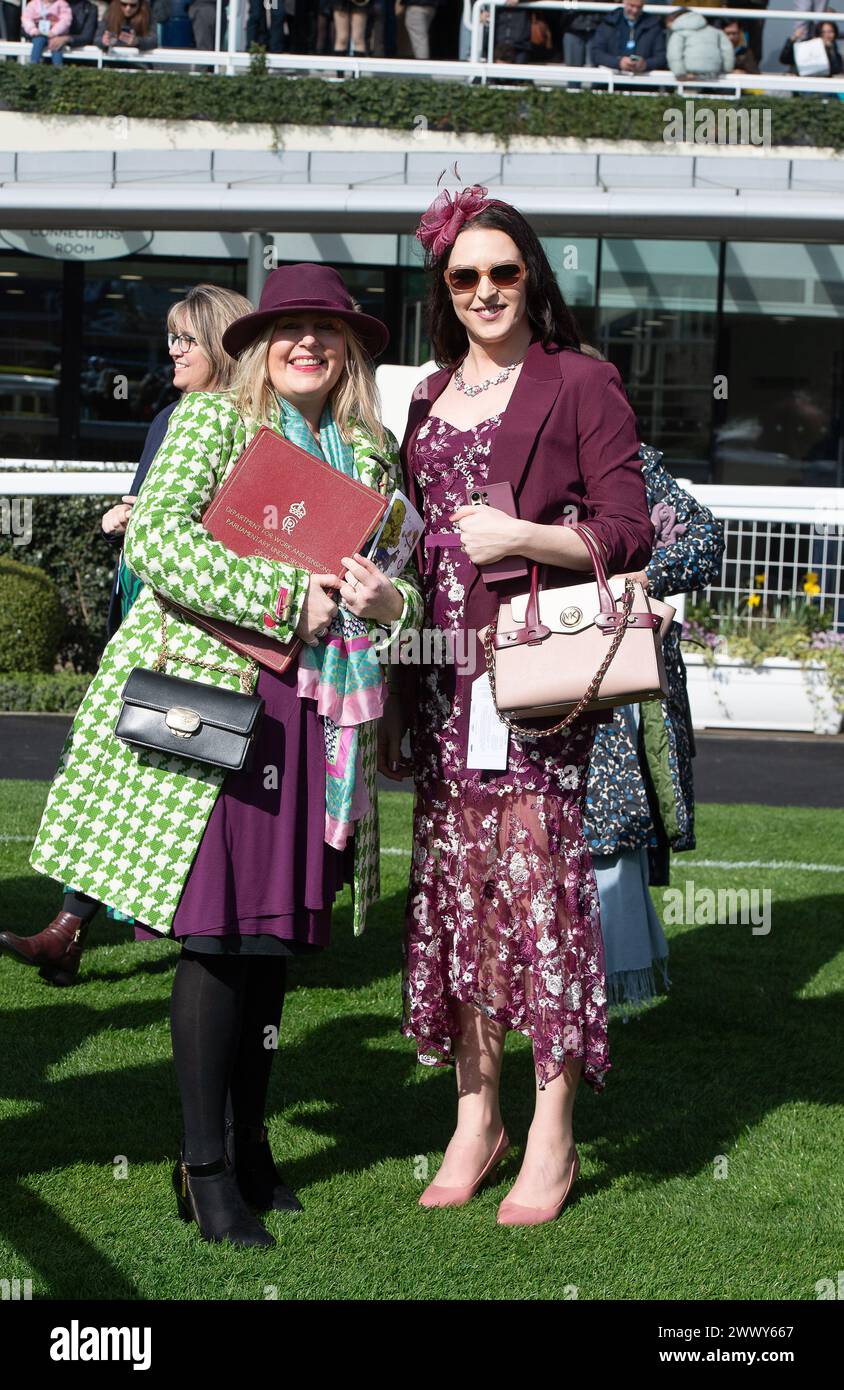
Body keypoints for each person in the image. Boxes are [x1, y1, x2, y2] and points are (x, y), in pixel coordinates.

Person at [27, 263, 422, 1248]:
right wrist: (286, 599)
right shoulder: (211, 423)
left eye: (326, 332)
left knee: (271, 945)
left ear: (351, 351)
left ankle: (250, 1147)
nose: (306, 345)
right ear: (255, 346)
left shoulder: (373, 454)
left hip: (316, 717)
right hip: (212, 699)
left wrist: (389, 604)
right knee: (216, 934)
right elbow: (155, 543)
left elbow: (401, 585)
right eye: (287, 329)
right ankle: (203, 1166)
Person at [394, 184, 654, 1227]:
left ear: (530, 277)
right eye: (464, 276)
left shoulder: (580, 381)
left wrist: (527, 541)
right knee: (458, 900)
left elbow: (631, 530)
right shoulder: (420, 395)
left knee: (538, 901)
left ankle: (550, 1132)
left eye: (503, 271)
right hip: (438, 683)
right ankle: (473, 1114)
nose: (486, 290)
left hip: (532, 685)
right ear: (443, 290)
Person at [0, 284, 252, 986]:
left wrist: (148, 520)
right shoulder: (171, 417)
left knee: (166, 764)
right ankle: (72, 927)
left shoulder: (235, 423)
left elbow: (237, 528)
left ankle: (78, 929)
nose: (172, 351)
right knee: (134, 764)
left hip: (202, 622)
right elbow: (160, 503)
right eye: (170, 338)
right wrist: (130, 513)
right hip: (147, 608)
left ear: (223, 347)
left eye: (186, 339)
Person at [583, 441, 725, 1009]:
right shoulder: (514, 450)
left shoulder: (629, 461)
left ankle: (610, 983)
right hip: (534, 666)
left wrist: (641, 582)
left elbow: (703, 539)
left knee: (612, 828)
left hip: (619, 677)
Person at [592, 0, 667, 73]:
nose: (635, 10)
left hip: (644, 82)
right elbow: (596, 54)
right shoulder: (608, 23)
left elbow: (661, 57)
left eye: (639, 7)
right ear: (624, 2)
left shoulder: (653, 26)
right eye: (632, 5)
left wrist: (645, 64)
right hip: (610, 80)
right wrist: (618, 62)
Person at [666, 7, 735, 79]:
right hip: (713, 74)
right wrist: (727, 69)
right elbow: (727, 51)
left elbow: (674, 54)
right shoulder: (715, 31)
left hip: (689, 76)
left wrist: (679, 73)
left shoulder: (678, 33)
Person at [21, 0, 72, 65]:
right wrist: (33, 30)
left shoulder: (62, 4)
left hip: (56, 35)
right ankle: (33, 65)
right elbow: (26, 18)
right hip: (39, 33)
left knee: (57, 46)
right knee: (38, 42)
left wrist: (54, 32)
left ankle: (58, 69)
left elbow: (65, 20)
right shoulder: (33, 4)